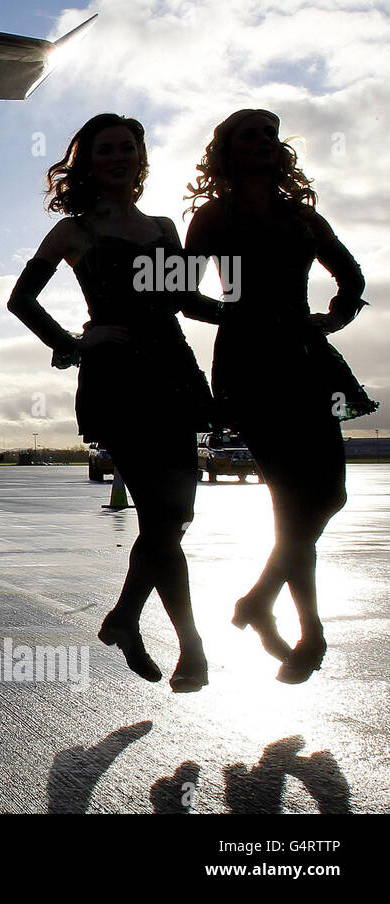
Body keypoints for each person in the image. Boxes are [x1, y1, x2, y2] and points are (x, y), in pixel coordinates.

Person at [7, 113, 223, 693]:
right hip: (118, 379)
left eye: (127, 148)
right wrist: (75, 343)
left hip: (173, 374)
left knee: (171, 519)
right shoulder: (74, 232)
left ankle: (128, 619)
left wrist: (264, 316)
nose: (118, 157)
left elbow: (184, 301)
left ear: (139, 157)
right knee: (163, 517)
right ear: (87, 161)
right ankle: (186, 644)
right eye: (106, 149)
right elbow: (21, 300)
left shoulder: (161, 228)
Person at [185, 109, 375, 684]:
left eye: (271, 134)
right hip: (249, 365)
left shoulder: (302, 218)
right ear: (228, 151)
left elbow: (352, 276)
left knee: (329, 497)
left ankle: (259, 600)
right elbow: (182, 293)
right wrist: (239, 316)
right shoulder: (215, 217)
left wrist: (332, 320)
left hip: (308, 361)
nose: (265, 142)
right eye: (252, 135)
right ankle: (309, 629)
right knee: (293, 502)